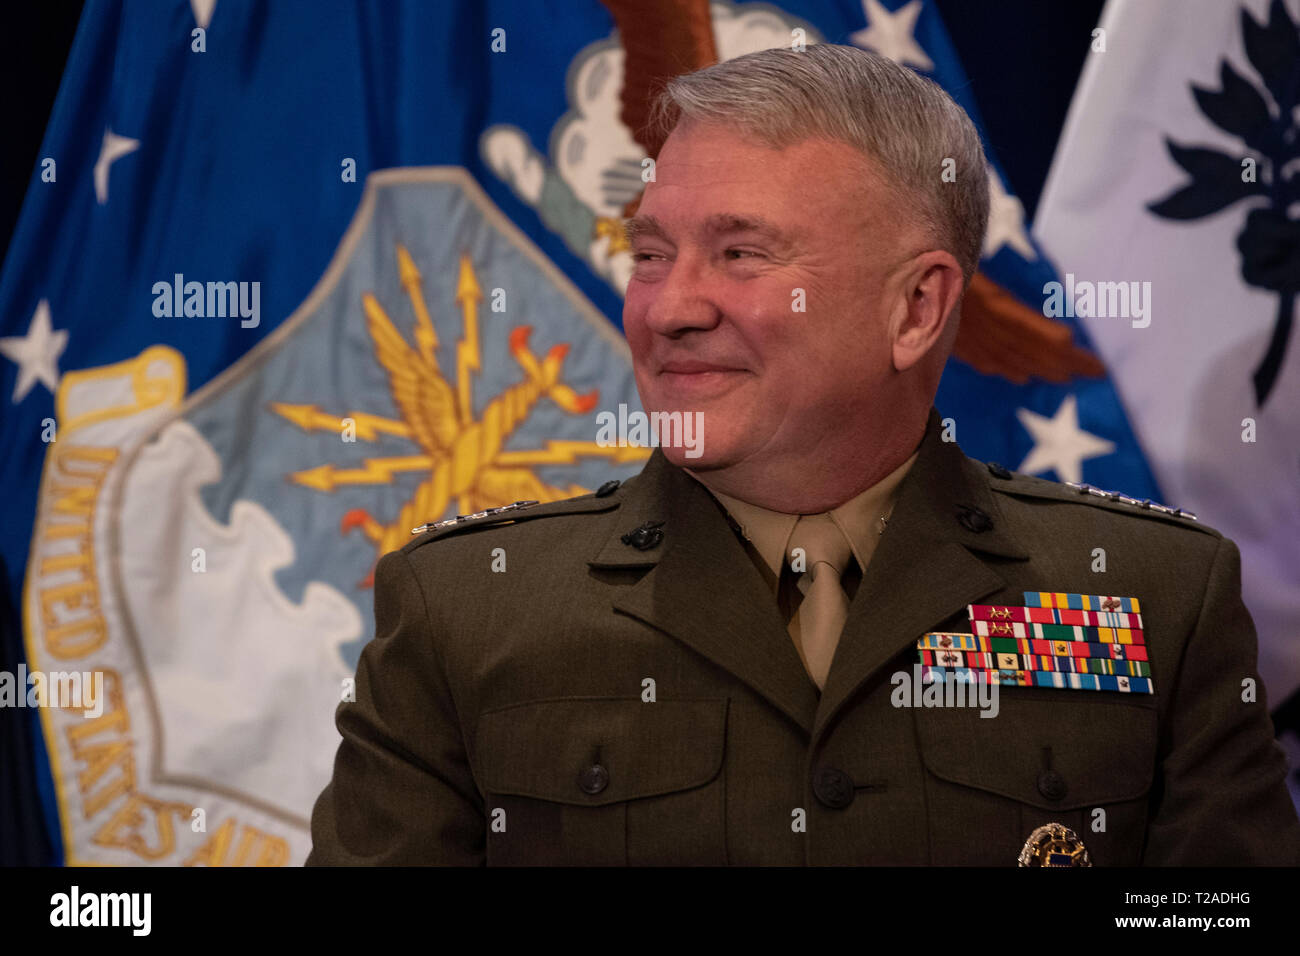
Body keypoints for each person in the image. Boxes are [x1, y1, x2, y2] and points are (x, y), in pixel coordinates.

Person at [307, 44, 1300, 865]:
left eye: (740, 254)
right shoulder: (464, 609)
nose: (671, 307)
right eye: (650, 254)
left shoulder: (1155, 599)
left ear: (915, 307)